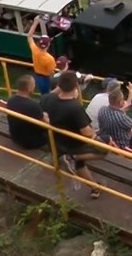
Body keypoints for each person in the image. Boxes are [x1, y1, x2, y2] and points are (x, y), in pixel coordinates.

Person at [41, 71, 106, 199]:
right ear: (76, 86)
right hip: (73, 144)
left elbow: (53, 94)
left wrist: (65, 83)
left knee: (80, 162)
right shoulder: (75, 107)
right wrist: (95, 136)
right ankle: (70, 157)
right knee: (103, 150)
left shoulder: (47, 99)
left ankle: (94, 188)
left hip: (55, 141)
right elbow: (87, 132)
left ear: (59, 85)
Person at [5, 74, 48, 149]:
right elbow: (46, 123)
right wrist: (45, 115)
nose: (35, 86)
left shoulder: (11, 100)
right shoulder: (33, 105)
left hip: (16, 137)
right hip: (32, 142)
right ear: (29, 87)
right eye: (33, 84)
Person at [25, 17, 56, 95]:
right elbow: (51, 72)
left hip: (38, 76)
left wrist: (35, 22)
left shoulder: (34, 50)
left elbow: (29, 36)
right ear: (48, 45)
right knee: (48, 95)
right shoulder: (50, 58)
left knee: (43, 94)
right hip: (46, 78)